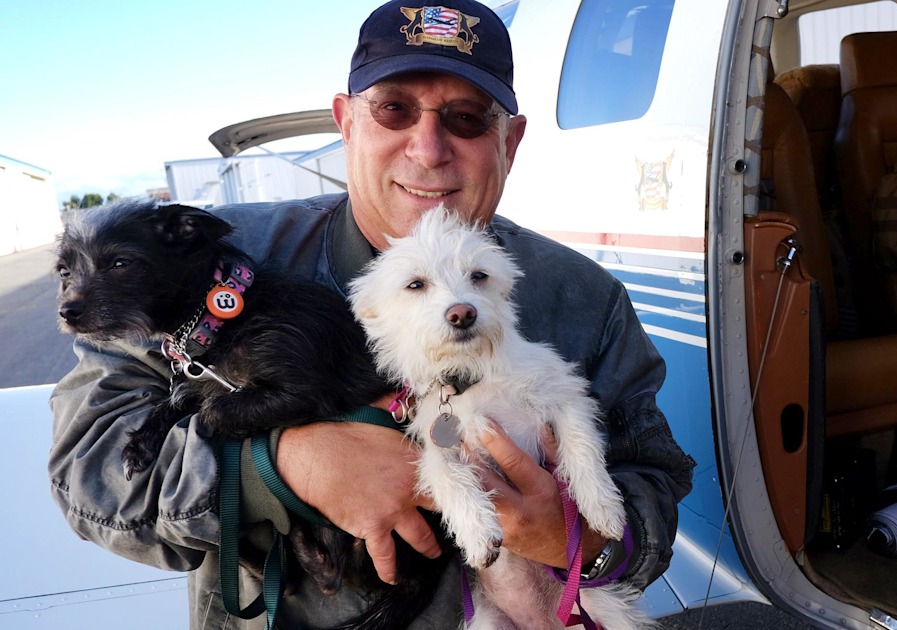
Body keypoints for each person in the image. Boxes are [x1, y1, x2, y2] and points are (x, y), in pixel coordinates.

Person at [47, 1, 696, 628]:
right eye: (394, 109)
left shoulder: (585, 297)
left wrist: (582, 541)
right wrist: (280, 466)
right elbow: (90, 471)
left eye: (468, 118)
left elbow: (656, 483)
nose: (428, 146)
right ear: (347, 121)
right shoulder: (198, 263)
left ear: (511, 140)